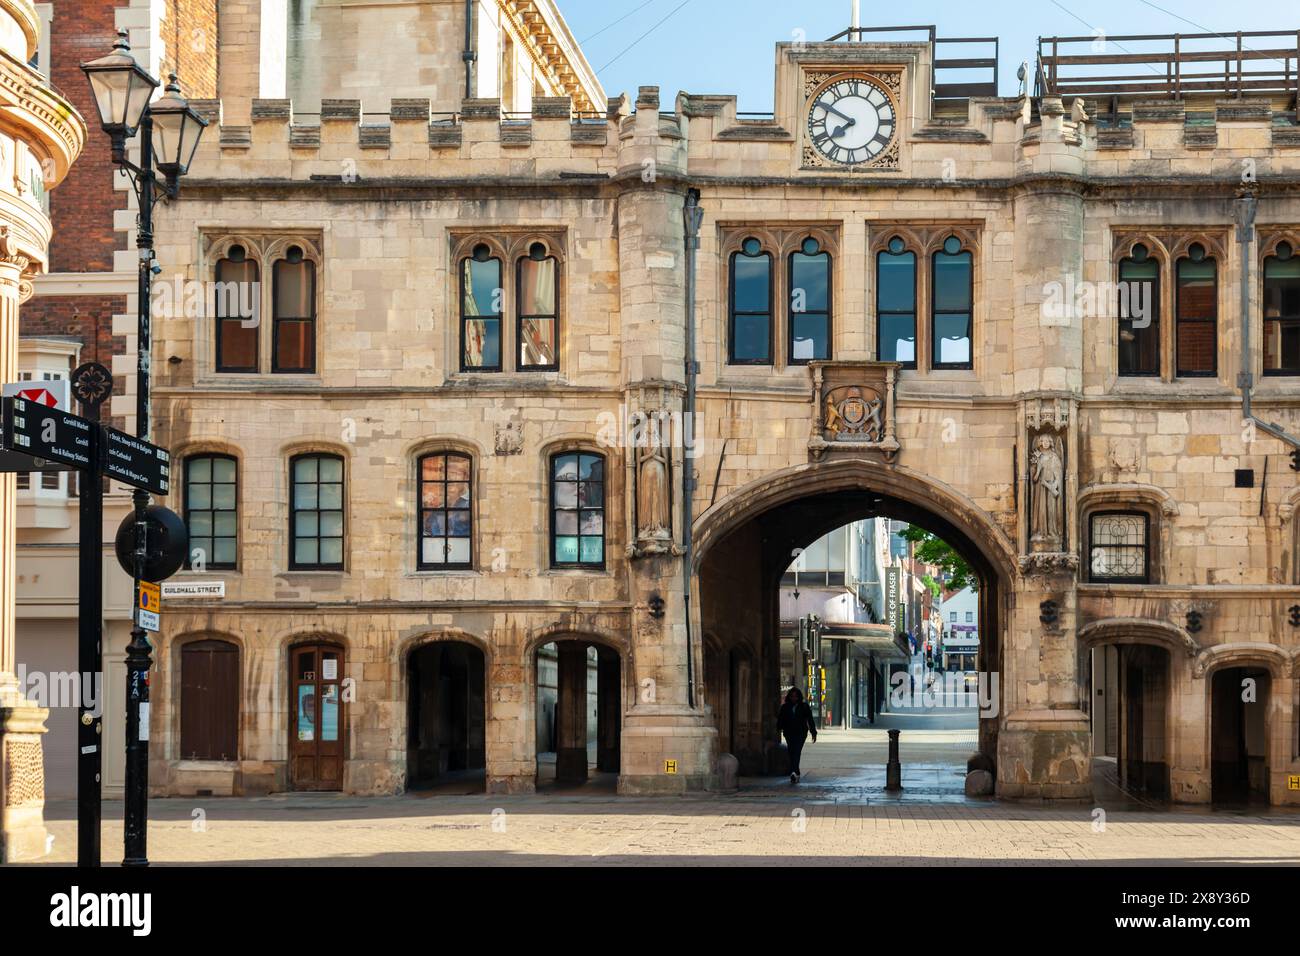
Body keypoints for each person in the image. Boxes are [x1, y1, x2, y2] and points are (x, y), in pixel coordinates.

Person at [777, 687, 817, 783]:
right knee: (791, 751)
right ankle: (796, 772)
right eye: (792, 696)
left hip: (801, 733)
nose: (794, 698)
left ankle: (794, 772)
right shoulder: (785, 707)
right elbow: (781, 719)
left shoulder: (804, 706)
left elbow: (810, 720)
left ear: (799, 697)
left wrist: (813, 733)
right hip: (789, 733)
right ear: (789, 697)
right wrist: (778, 728)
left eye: (796, 696)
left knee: (797, 751)